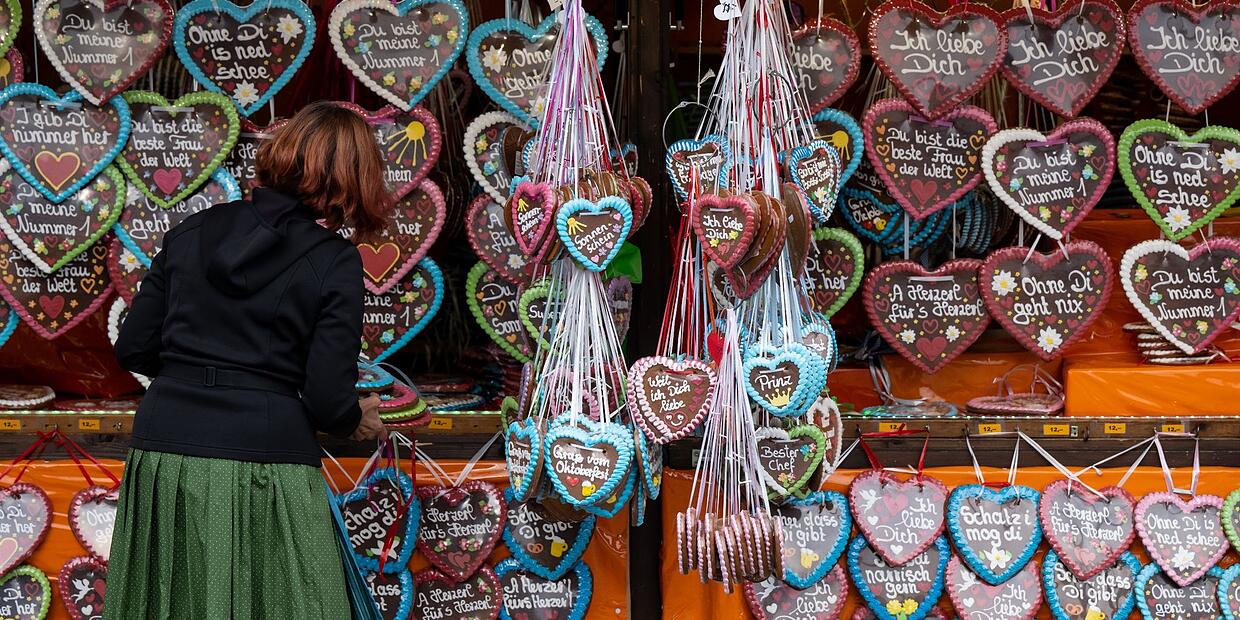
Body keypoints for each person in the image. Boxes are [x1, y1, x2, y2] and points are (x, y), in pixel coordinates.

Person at [106, 102, 393, 618]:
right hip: (269, 457)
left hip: (166, 448)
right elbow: (329, 398)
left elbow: (133, 347)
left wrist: (191, 377)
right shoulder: (334, 259)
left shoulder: (190, 231)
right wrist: (356, 418)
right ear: (354, 181)